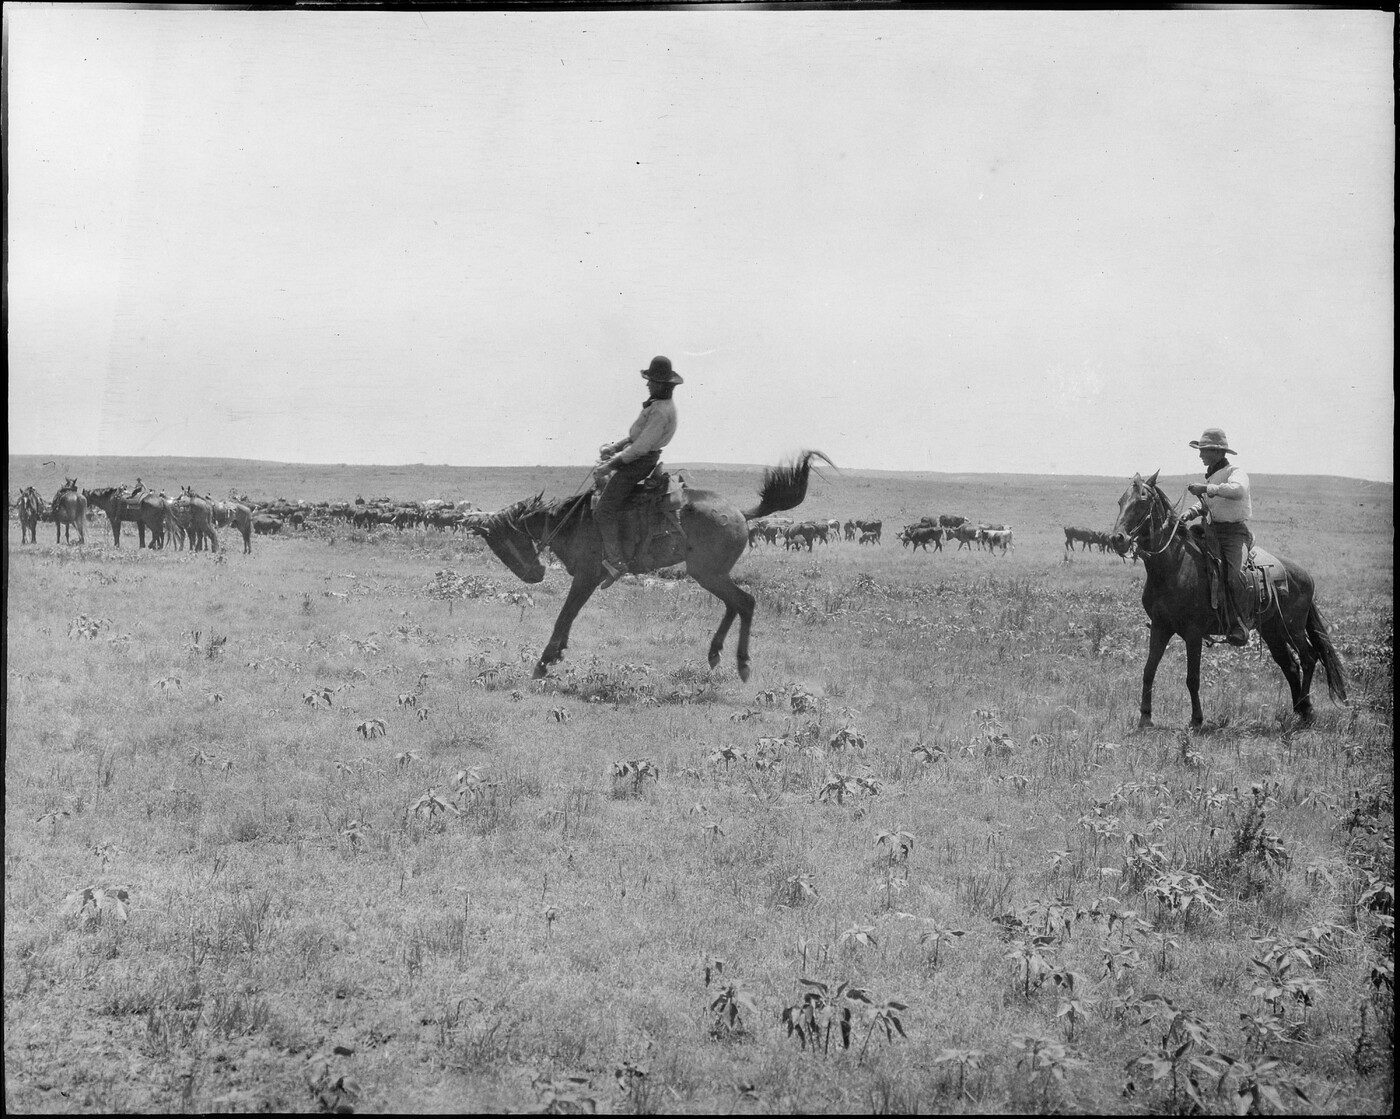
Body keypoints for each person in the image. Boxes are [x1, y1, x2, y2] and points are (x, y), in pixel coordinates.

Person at [593, 356, 684, 586]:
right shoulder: (658, 406)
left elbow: (641, 447)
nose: (647, 384)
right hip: (637, 456)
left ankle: (616, 562)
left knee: (603, 510)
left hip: (639, 461)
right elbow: (636, 437)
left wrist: (611, 463)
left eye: (651, 381)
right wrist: (615, 446)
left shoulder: (661, 412)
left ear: (662, 384)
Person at [1181, 427, 1252, 646]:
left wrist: (1207, 487)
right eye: (1200, 450)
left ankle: (1238, 622)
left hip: (1233, 534)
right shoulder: (1212, 475)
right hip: (1210, 530)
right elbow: (1207, 503)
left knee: (1233, 575)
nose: (1200, 454)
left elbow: (1237, 490)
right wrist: (1191, 512)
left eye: (1205, 450)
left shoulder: (1235, 471)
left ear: (1219, 452)